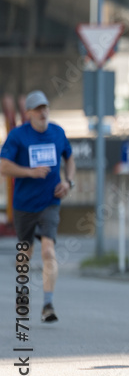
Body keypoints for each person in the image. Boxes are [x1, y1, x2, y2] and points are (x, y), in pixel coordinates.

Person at [1, 91, 75, 323]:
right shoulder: (18, 136)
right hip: (24, 204)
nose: (44, 112)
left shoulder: (57, 132)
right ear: (30, 113)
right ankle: (22, 295)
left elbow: (69, 158)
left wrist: (68, 182)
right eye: (39, 109)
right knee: (25, 252)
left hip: (50, 201)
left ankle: (48, 304)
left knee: (48, 250)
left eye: (46, 108)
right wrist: (29, 172)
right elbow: (3, 166)